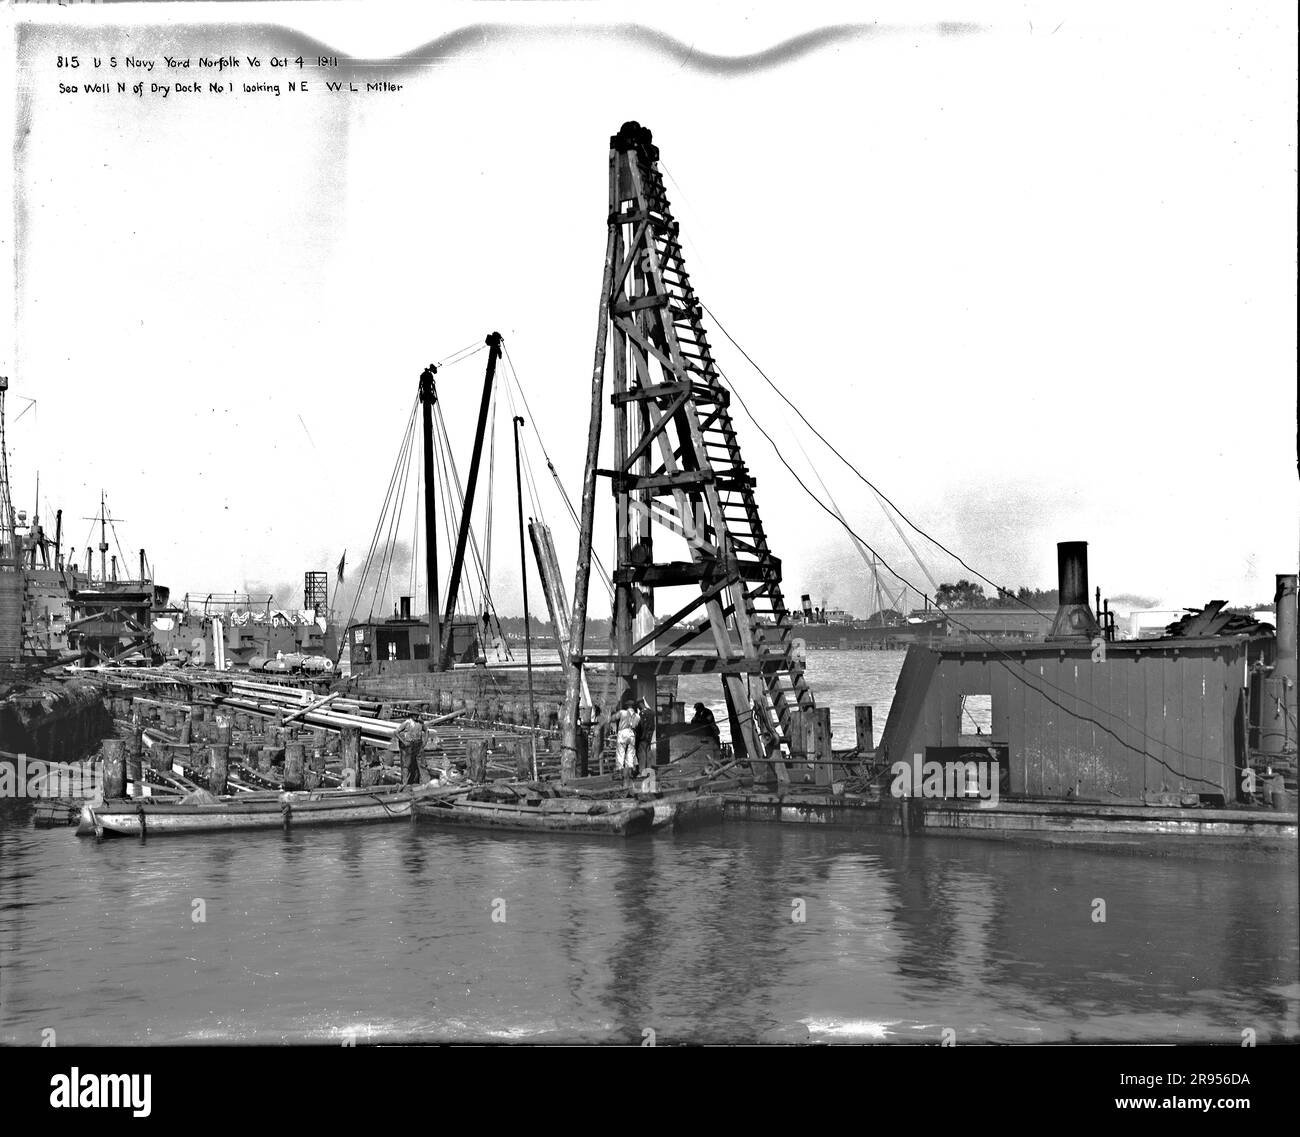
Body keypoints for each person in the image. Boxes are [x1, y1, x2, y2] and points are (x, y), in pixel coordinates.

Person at [612, 694, 641, 782]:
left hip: (622, 732)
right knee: (630, 753)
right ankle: (630, 772)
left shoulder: (622, 713)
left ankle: (620, 772)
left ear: (626, 706)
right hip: (631, 733)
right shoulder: (637, 716)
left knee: (620, 753)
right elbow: (636, 726)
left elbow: (613, 718)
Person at [634, 696, 656, 775]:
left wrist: (637, 736)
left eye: (638, 706)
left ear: (640, 704)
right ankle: (649, 771)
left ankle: (642, 772)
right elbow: (653, 726)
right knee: (648, 754)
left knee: (642, 755)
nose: (638, 708)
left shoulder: (642, 714)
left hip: (642, 737)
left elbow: (641, 727)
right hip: (649, 737)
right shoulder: (651, 712)